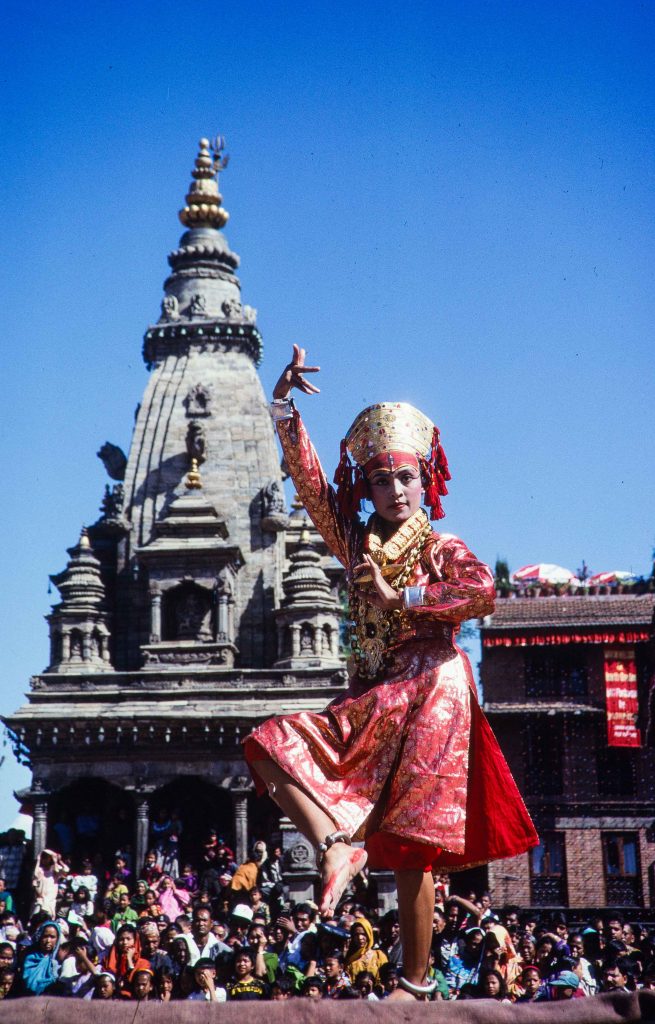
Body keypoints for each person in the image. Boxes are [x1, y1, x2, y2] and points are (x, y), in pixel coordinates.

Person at [245, 346, 538, 1000]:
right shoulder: (355, 544)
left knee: (412, 850)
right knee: (269, 743)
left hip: (436, 688)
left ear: (423, 481)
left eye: (405, 478)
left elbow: (480, 595)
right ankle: (336, 844)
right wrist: (284, 409)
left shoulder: (440, 548)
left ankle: (414, 979)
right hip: (379, 691)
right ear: (367, 489)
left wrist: (398, 598)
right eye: (381, 481)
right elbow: (316, 491)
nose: (395, 491)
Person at [21, 920, 63, 996]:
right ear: (40, 937)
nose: (48, 940)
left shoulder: (58, 961)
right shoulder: (31, 959)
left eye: (52, 937)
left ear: (57, 939)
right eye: (45, 936)